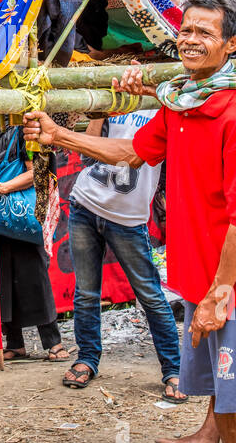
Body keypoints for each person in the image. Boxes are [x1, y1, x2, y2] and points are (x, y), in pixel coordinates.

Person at [25, 0, 236, 443]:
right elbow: (133, 153)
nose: (190, 39)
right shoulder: (182, 104)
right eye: (185, 30)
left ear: (232, 45)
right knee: (227, 395)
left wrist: (218, 293)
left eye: (203, 33)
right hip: (197, 278)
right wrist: (59, 136)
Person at [58, 102, 184, 394]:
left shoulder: (166, 107)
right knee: (86, 292)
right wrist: (100, 112)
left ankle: (175, 369)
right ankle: (87, 358)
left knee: (151, 295)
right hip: (86, 204)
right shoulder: (115, 101)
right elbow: (89, 154)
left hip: (129, 219)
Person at [0, 121, 69, 362]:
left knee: (33, 276)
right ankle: (14, 343)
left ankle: (53, 342)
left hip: (22, 217)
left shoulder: (27, 131)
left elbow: (39, 172)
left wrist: (3, 186)